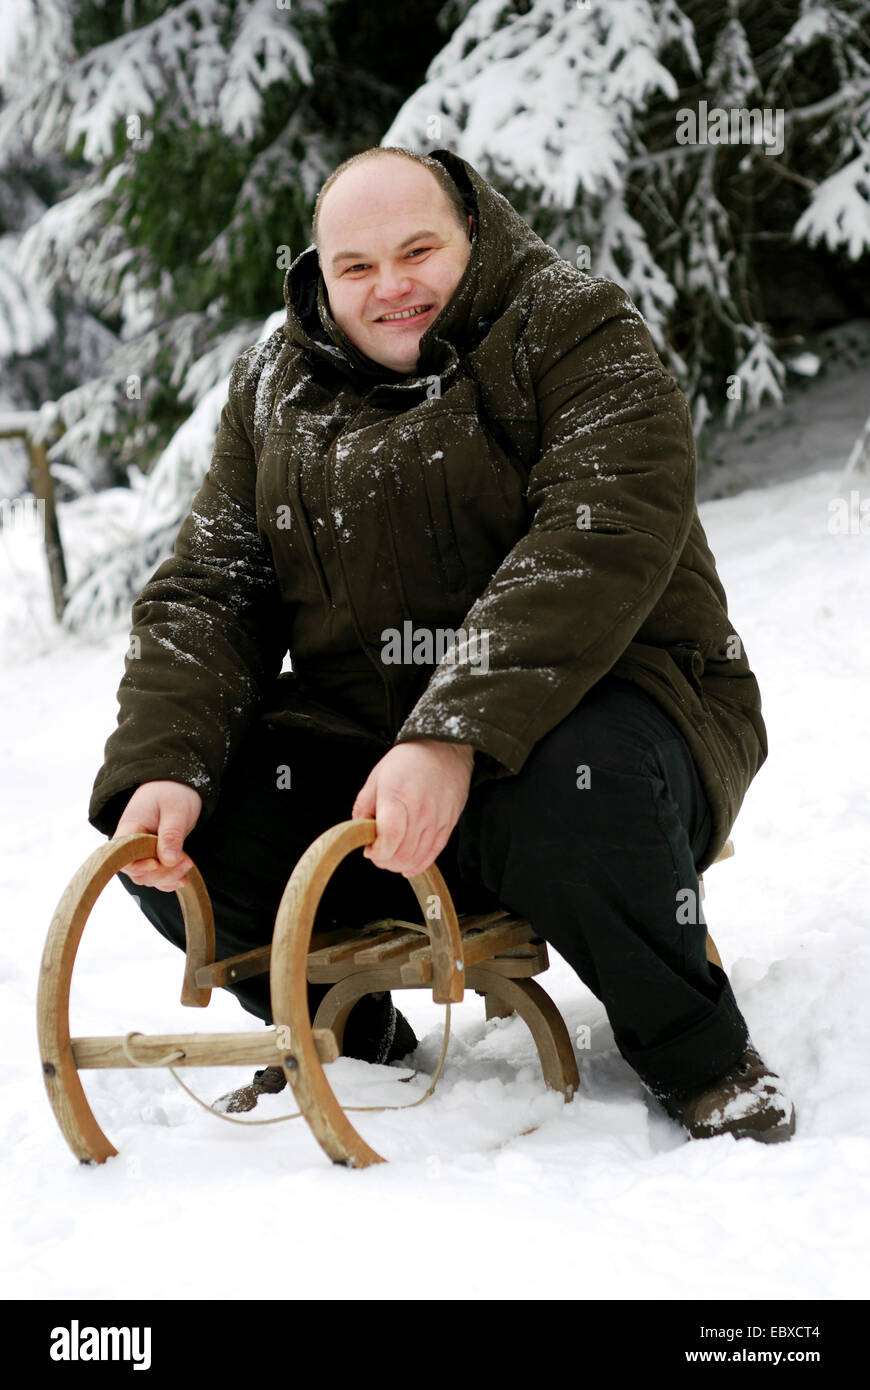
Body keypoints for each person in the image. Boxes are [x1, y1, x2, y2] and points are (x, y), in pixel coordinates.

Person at [88, 145, 795, 1141]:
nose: (392, 287)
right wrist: (166, 765)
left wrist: (451, 733)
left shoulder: (578, 326)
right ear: (321, 275)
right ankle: (352, 1043)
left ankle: (702, 1057)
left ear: (476, 235)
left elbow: (595, 539)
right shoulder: (271, 386)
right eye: (358, 267)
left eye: (419, 250)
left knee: (570, 784)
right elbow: (210, 592)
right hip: (376, 761)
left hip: (623, 708)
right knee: (186, 834)